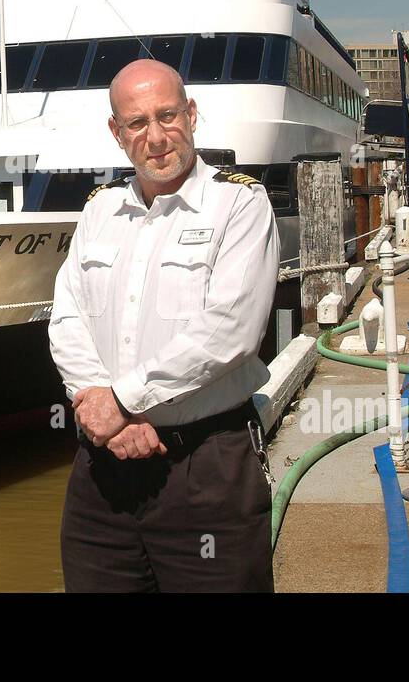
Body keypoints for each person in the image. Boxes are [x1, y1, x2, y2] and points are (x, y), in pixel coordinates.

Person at [49, 57, 279, 592]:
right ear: (117, 133)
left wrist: (124, 400)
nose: (156, 137)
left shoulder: (239, 204)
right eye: (137, 123)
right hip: (102, 473)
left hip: (206, 471)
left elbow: (231, 330)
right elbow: (67, 317)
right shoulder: (99, 211)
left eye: (168, 115)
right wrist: (99, 405)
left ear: (192, 114)